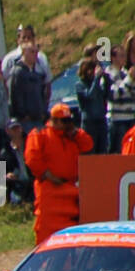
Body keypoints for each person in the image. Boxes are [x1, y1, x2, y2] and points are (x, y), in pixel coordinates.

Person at [25, 103, 93, 244]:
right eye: (64, 121)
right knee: (45, 231)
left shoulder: (72, 136)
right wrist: (49, 175)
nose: (67, 124)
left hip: (69, 190)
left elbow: (88, 145)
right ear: (54, 120)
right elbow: (32, 159)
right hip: (48, 189)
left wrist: (74, 131)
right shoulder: (39, 133)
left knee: (69, 234)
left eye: (69, 120)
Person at [8, 44, 50, 132]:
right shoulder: (18, 72)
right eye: (32, 52)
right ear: (23, 52)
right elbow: (15, 96)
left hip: (38, 118)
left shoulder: (36, 72)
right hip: (26, 121)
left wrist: (43, 111)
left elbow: (42, 93)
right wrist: (22, 115)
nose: (35, 55)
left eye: (36, 52)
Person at [75, 57, 111, 154]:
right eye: (91, 69)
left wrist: (106, 78)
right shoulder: (80, 85)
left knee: (102, 151)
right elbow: (90, 95)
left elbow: (107, 95)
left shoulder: (98, 84)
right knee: (90, 151)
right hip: (89, 123)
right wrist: (96, 78)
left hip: (101, 121)